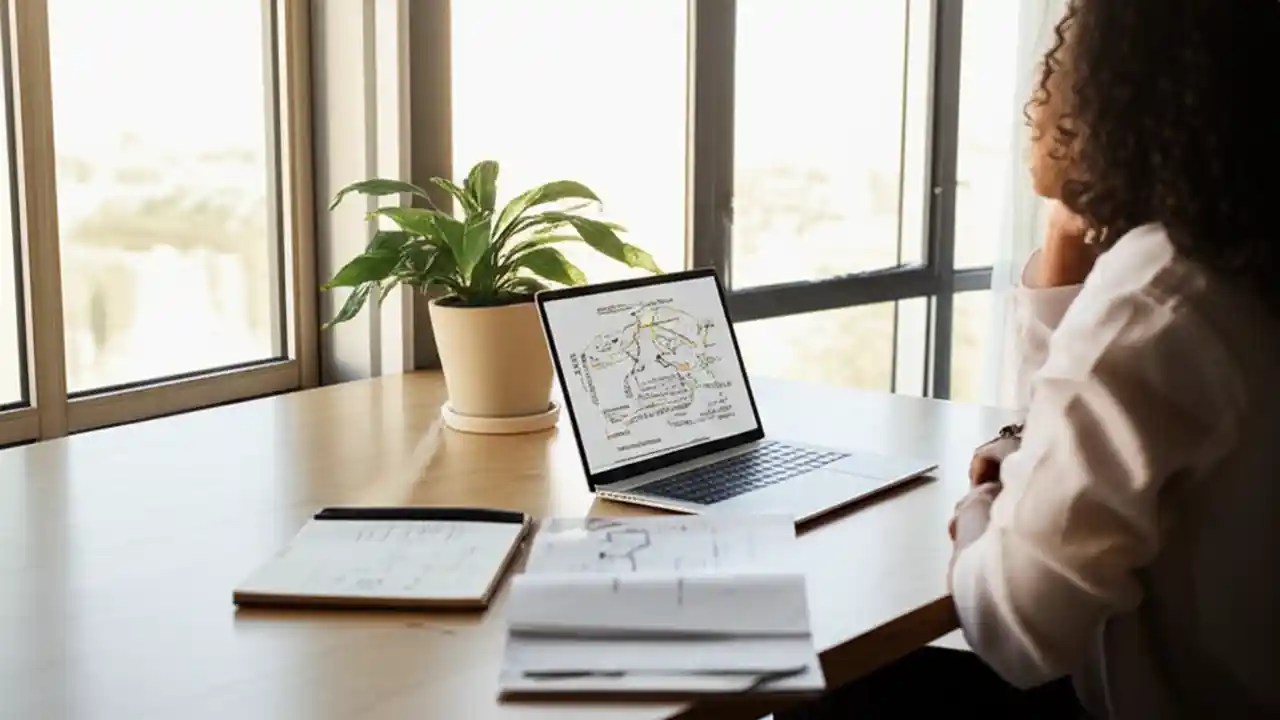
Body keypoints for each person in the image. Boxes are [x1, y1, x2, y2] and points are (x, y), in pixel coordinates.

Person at [787, 0, 1280, 717]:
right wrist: (1066, 236)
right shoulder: (1242, 262)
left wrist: (982, 510)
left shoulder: (1165, 291)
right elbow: (1075, 418)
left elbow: (1021, 630)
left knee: (828, 685)